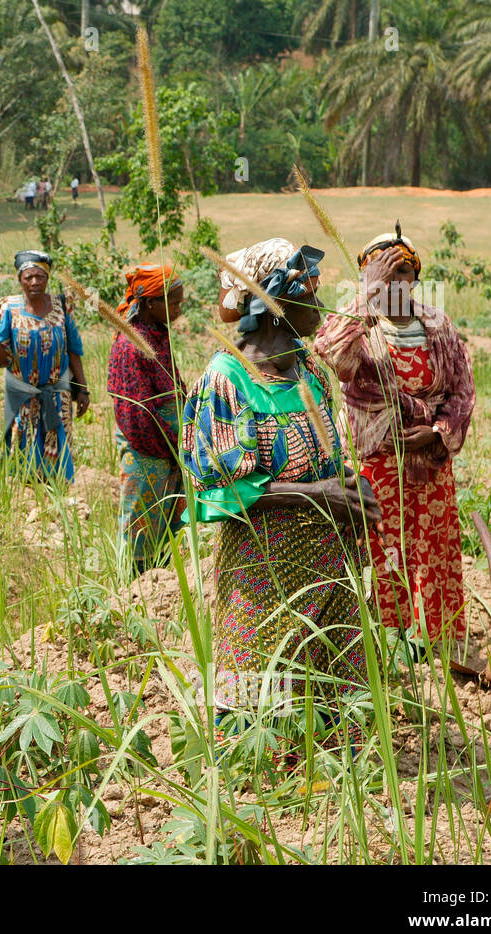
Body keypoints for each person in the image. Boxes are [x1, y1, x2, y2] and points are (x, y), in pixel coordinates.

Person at [181, 238, 380, 758]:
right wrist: (317, 495)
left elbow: (328, 456)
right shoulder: (225, 382)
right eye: (310, 296)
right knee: (259, 692)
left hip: (330, 563)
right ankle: (263, 785)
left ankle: (337, 781)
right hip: (262, 572)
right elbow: (221, 490)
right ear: (274, 304)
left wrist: (349, 492)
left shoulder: (309, 369)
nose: (321, 307)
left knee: (334, 680)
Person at [316, 225, 475, 646]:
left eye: (402, 270)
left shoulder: (438, 325)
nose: (394, 281)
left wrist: (437, 433)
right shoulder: (359, 328)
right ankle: (388, 645)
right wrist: (367, 296)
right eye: (383, 273)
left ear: (416, 276)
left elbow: (462, 389)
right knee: (384, 555)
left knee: (430, 552)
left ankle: (434, 642)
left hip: (430, 471)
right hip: (377, 470)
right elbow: (333, 354)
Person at [108, 264, 187, 576]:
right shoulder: (131, 344)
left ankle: (160, 583)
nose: (179, 310)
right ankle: (132, 589)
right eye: (174, 302)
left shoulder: (157, 334)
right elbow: (137, 413)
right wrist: (169, 445)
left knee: (167, 524)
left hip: (168, 449)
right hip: (148, 452)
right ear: (151, 303)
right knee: (141, 525)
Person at [0, 250, 89, 482]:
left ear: (47, 278)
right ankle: (27, 495)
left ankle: (58, 492)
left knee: (58, 450)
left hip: (57, 395)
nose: (34, 282)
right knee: (23, 448)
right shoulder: (7, 309)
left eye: (40, 276)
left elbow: (74, 349)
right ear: (19, 279)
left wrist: (82, 388)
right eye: (28, 277)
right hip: (22, 395)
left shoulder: (62, 305)